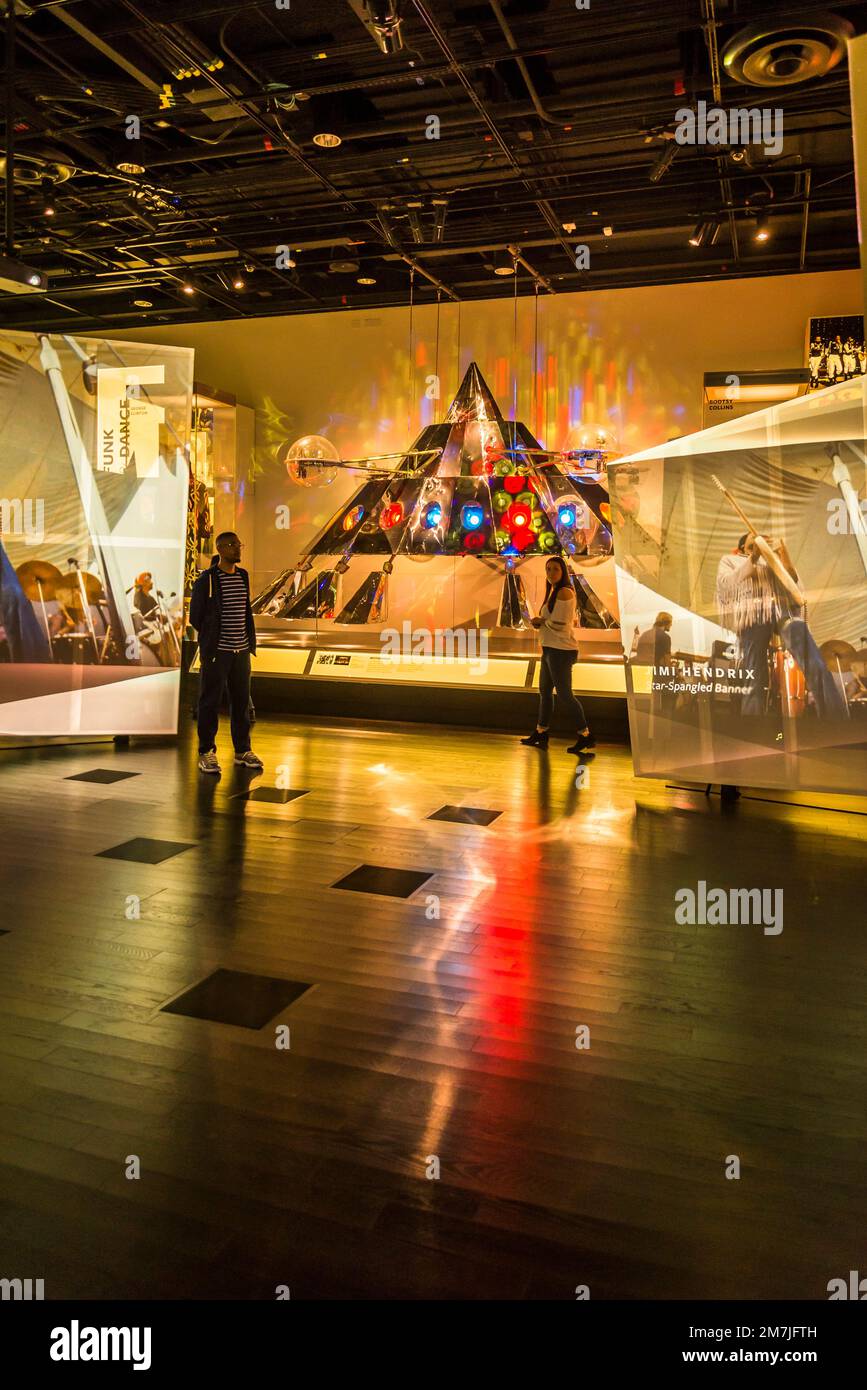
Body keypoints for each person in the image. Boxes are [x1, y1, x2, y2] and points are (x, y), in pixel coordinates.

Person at [715, 532, 845, 719]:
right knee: (753, 670)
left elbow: (793, 581)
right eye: (753, 535)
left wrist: (782, 553)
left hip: (784, 610)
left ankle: (836, 718)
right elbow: (726, 585)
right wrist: (754, 557)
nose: (759, 536)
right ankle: (753, 724)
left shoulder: (773, 560)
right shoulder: (730, 560)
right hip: (753, 613)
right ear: (743, 545)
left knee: (812, 659)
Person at [189, 531, 263, 773]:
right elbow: (196, 617)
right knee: (209, 701)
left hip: (240, 651)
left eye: (239, 544)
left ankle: (243, 750)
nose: (237, 549)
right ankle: (206, 752)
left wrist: (245, 642)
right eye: (232, 545)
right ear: (220, 549)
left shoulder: (242, 576)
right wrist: (213, 639)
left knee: (241, 702)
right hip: (217, 652)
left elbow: (244, 611)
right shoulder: (207, 579)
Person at [521, 555, 595, 754]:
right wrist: (541, 623)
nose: (551, 573)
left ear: (563, 572)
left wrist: (541, 622)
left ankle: (585, 734)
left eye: (555, 569)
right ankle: (541, 731)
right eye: (548, 569)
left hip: (561, 650)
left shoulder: (564, 592)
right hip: (550, 649)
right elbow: (553, 622)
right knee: (545, 692)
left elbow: (562, 624)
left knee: (565, 694)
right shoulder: (554, 591)